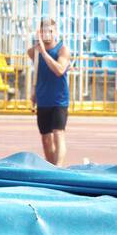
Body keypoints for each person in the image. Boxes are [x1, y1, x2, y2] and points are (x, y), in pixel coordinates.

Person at [28, 18, 70, 166]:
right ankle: (51, 166)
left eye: (50, 31)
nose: (48, 34)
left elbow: (59, 70)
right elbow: (37, 69)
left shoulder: (62, 50)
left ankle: (58, 168)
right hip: (43, 98)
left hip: (59, 100)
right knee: (46, 139)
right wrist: (34, 92)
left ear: (55, 32)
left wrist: (44, 53)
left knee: (58, 133)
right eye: (44, 31)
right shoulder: (36, 51)